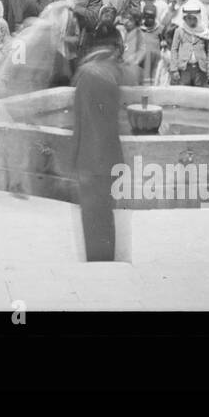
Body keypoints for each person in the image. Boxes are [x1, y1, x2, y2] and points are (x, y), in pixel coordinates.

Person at [73, 14, 126, 260]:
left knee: (94, 215)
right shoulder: (117, 71)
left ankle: (99, 260)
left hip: (92, 159)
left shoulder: (88, 73)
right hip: (110, 156)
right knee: (105, 213)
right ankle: (106, 257)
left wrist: (75, 159)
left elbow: (83, 122)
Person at [171, 0, 209, 87]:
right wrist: (174, 69)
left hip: (200, 68)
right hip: (184, 68)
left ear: (198, 18)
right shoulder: (179, 31)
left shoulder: (204, 32)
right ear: (184, 18)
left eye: (194, 18)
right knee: (184, 93)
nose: (191, 21)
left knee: (199, 93)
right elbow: (174, 50)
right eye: (188, 18)